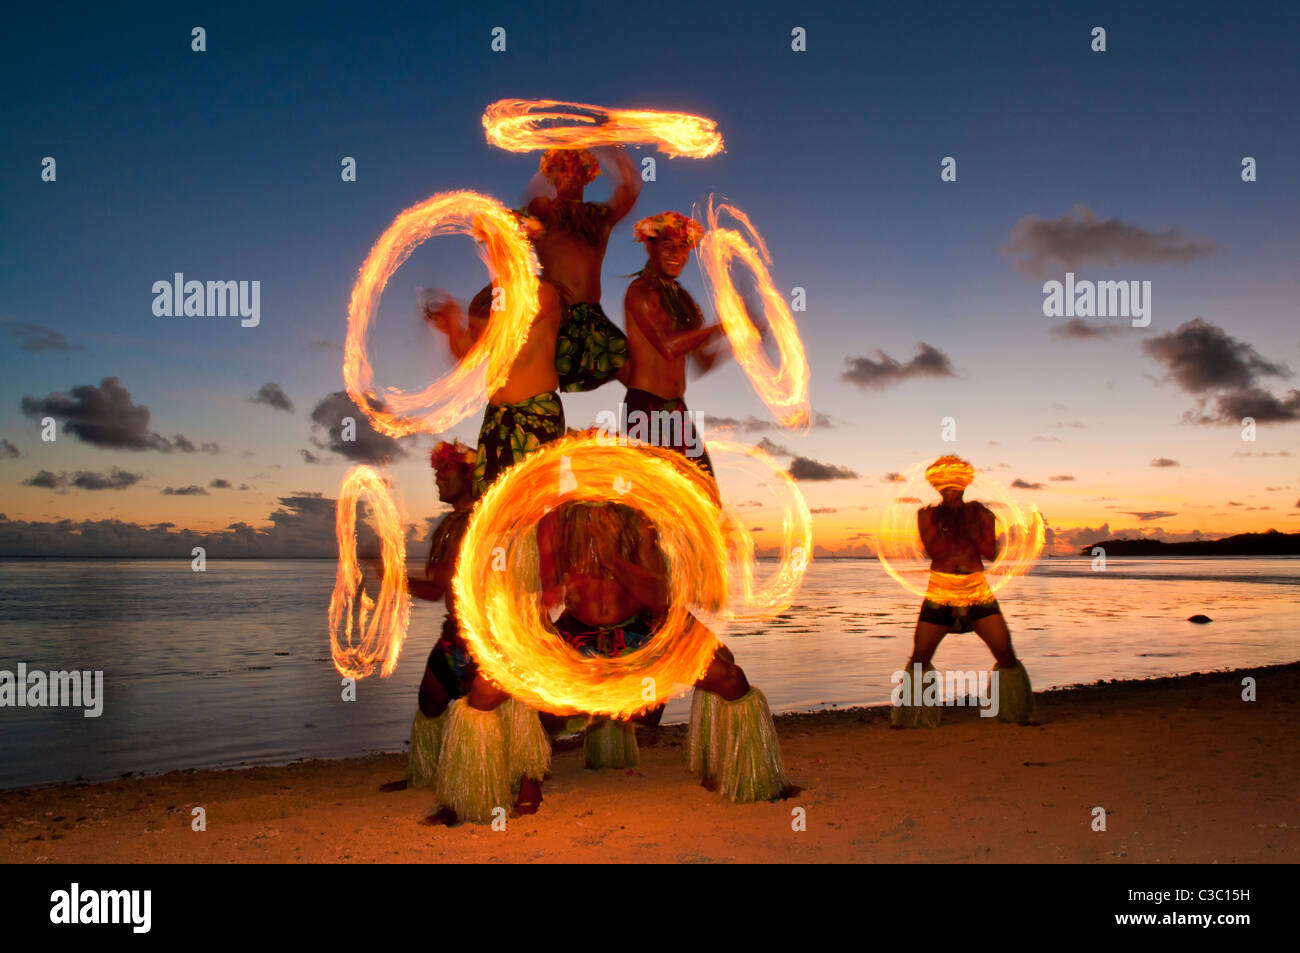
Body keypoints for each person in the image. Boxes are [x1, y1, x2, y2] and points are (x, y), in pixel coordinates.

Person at [414, 277, 570, 823]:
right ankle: (518, 781)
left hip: (530, 419)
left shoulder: (542, 292)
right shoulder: (492, 296)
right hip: (497, 425)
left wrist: (467, 319)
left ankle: (518, 783)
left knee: (513, 627)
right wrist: (458, 328)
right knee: (497, 602)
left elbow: (507, 334)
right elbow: (480, 353)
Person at [546, 498, 798, 802]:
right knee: (508, 681)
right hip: (577, 637)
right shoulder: (560, 521)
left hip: (639, 633)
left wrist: (613, 559)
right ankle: (526, 780)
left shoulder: (638, 521)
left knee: (730, 677)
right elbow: (532, 596)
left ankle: (748, 775)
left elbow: (659, 597)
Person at [891, 455, 1035, 728]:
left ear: (964, 484)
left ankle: (1016, 711)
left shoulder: (981, 513)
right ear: (937, 487)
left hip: (976, 590)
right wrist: (955, 526)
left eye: (955, 484)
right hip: (941, 592)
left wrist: (973, 525)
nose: (950, 489)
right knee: (920, 658)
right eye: (944, 485)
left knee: (1005, 653)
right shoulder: (927, 515)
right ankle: (912, 717)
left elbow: (990, 553)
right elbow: (934, 551)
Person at [525, 146, 641, 392]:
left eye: (577, 170)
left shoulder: (598, 217)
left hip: (593, 319)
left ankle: (653, 426)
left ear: (587, 176)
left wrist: (613, 146)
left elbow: (630, 190)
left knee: (639, 380)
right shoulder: (545, 212)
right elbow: (533, 200)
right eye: (563, 170)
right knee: (537, 383)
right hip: (555, 316)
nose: (570, 175)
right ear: (552, 177)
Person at [622, 211, 726, 480]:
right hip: (645, 409)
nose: (676, 255)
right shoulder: (641, 292)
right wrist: (723, 327)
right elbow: (668, 347)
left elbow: (703, 362)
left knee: (704, 492)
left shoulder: (684, 300)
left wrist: (740, 339)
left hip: (677, 409)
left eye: (683, 248)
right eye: (668, 247)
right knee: (654, 501)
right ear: (649, 246)